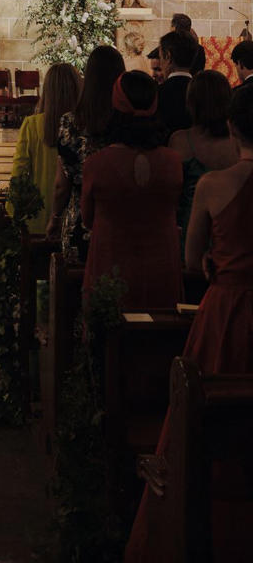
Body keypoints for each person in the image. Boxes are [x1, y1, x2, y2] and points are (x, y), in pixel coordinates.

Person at [124, 84, 253, 561]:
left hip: (227, 315)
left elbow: (191, 256)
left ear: (235, 126)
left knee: (207, 426)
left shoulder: (215, 186)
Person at [81, 72, 181, 311]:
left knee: (107, 342)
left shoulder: (96, 164)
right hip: (161, 268)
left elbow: (87, 219)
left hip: (110, 266)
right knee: (159, 345)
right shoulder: (173, 161)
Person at [48, 44, 125, 260]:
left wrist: (54, 217)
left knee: (75, 289)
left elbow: (61, 185)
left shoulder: (70, 122)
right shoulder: (126, 120)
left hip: (80, 221)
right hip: (121, 220)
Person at [168, 70, 236, 256]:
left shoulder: (180, 141)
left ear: (192, 103)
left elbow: (171, 194)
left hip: (188, 230)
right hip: (231, 231)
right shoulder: (238, 143)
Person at [11, 63, 82, 234]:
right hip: (74, 217)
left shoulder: (32, 125)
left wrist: (13, 212)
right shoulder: (83, 126)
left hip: (38, 216)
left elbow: (19, 174)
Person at [157, 30, 196, 134]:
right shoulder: (205, 92)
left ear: (168, 57)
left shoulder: (157, 93)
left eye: (160, 57)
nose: (160, 64)